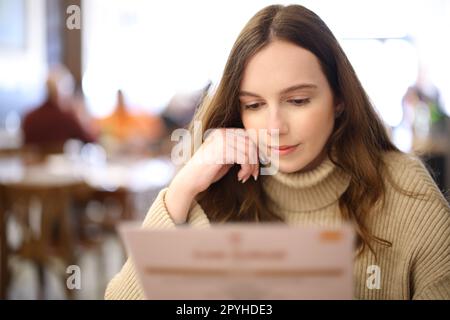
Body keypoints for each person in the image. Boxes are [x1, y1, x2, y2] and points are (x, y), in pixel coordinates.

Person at [105, 5, 449, 299]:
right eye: (253, 105)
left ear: (340, 98)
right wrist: (181, 188)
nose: (274, 126)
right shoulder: (216, 189)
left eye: (298, 101)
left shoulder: (403, 188)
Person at [22, 65, 96, 153]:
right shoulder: (67, 118)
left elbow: (25, 145)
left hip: (33, 166)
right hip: (61, 166)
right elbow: (90, 140)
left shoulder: (29, 117)